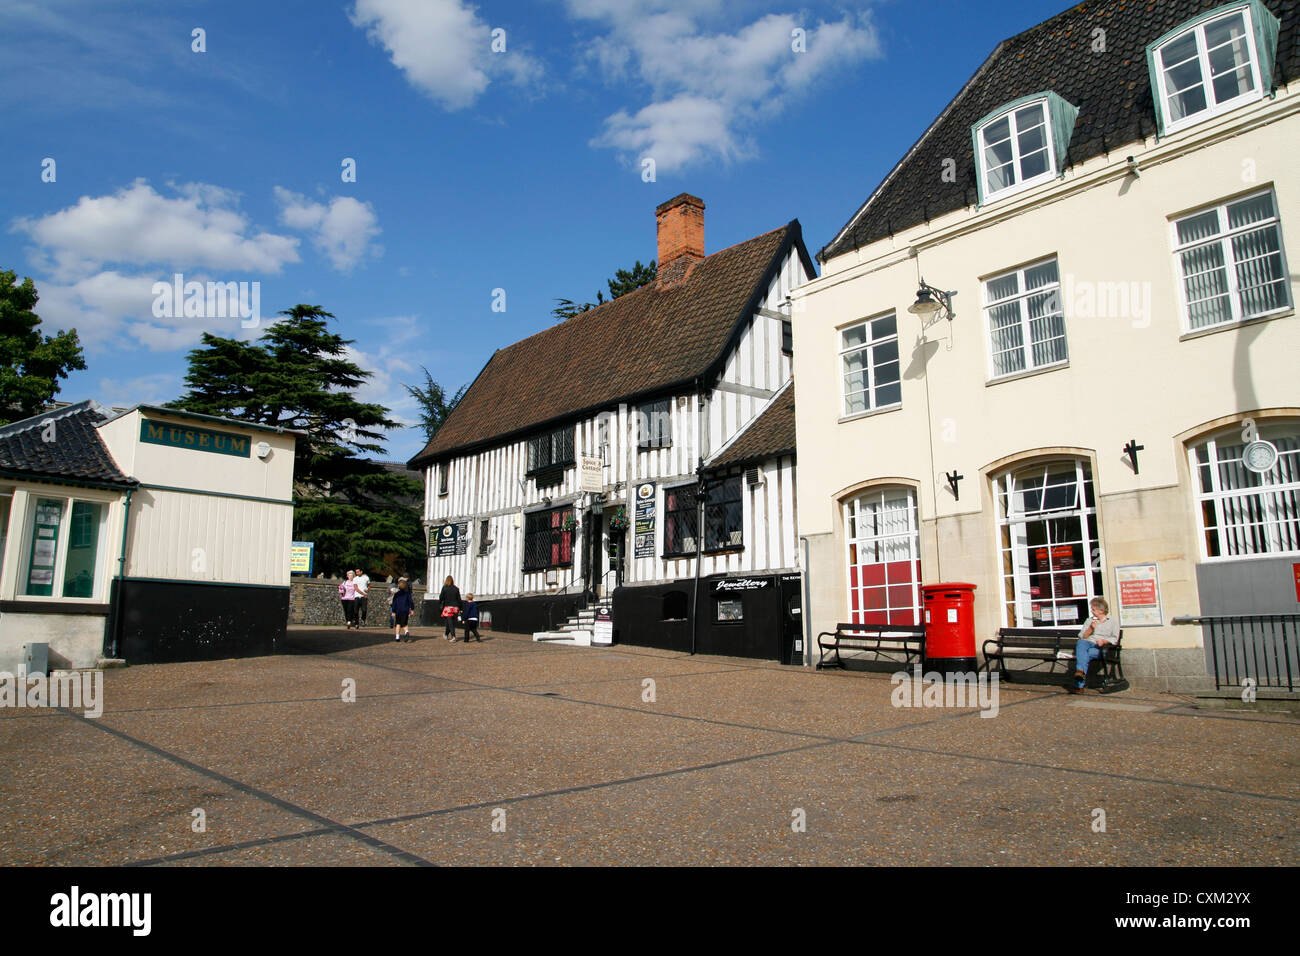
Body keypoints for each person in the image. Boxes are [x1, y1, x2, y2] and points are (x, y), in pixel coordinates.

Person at [1070, 597, 1119, 693]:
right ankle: (1080, 672)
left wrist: (1104, 641)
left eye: (1093, 609)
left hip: (1101, 647)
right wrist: (1091, 629)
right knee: (1081, 643)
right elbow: (1082, 636)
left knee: (1086, 654)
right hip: (1088, 642)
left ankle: (1079, 685)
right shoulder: (1089, 620)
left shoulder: (1112, 621)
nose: (1091, 611)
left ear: (1101, 611)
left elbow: (1115, 638)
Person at [391, 577, 415, 643]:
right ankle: (406, 632)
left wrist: (393, 611)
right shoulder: (407, 594)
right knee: (404, 624)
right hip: (405, 611)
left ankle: (397, 637)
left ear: (398, 586)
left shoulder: (396, 594)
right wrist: (412, 609)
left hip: (398, 611)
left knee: (398, 624)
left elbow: (394, 603)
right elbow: (411, 602)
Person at [439, 575, 462, 642]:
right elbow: (459, 599)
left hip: (448, 607)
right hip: (455, 607)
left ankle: (453, 636)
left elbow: (441, 597)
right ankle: (446, 634)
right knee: (450, 622)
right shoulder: (456, 589)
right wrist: (460, 608)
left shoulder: (445, 588)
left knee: (450, 622)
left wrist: (440, 603)